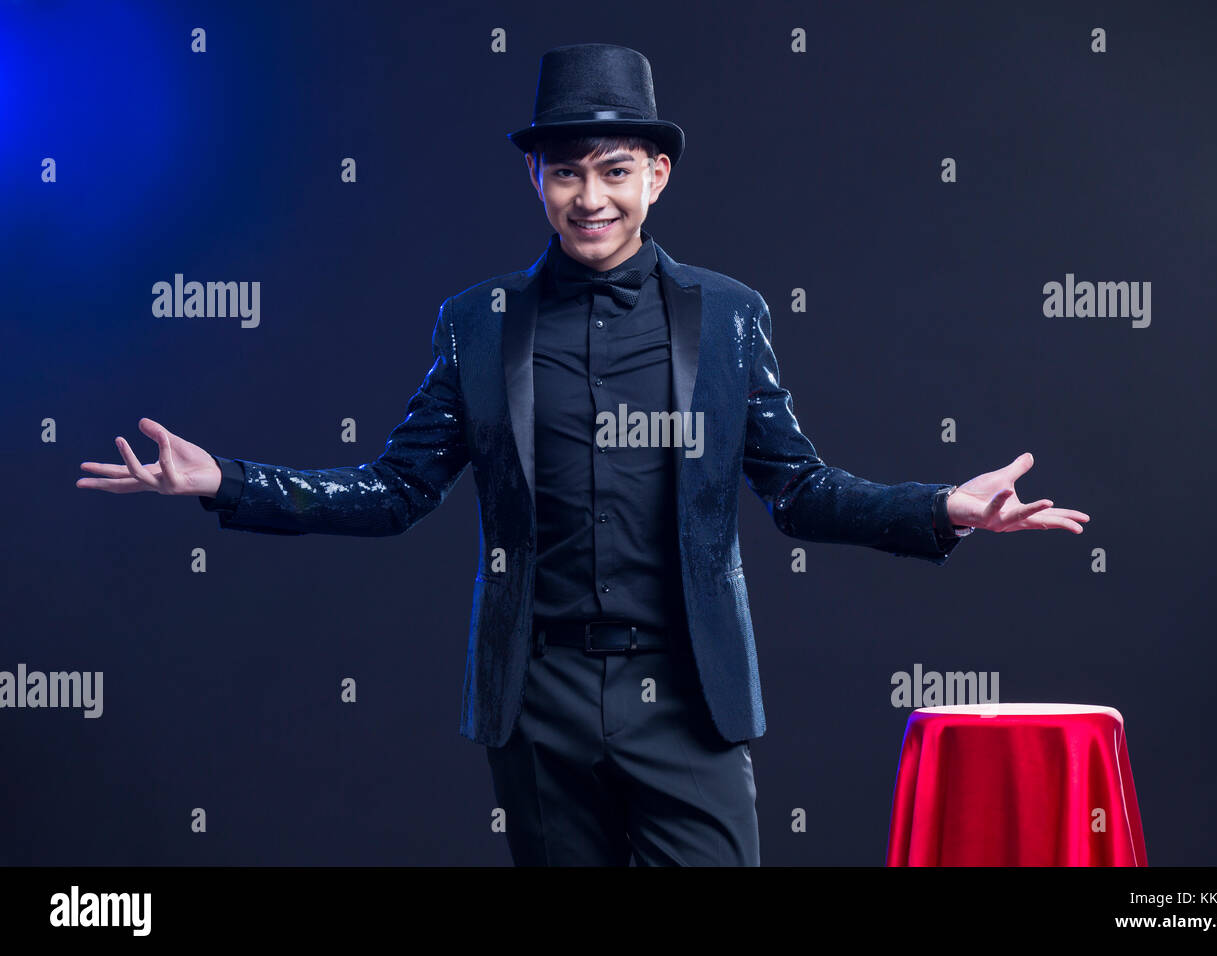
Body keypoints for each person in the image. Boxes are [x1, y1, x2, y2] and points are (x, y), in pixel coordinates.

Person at [77, 43, 1089, 866]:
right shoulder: (478, 322)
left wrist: (942, 507)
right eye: (565, 171)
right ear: (535, 177)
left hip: (689, 697)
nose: (588, 196)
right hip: (539, 700)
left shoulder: (727, 317)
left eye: (613, 169)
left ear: (656, 174)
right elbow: (393, 488)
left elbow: (800, 490)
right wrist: (230, 480)